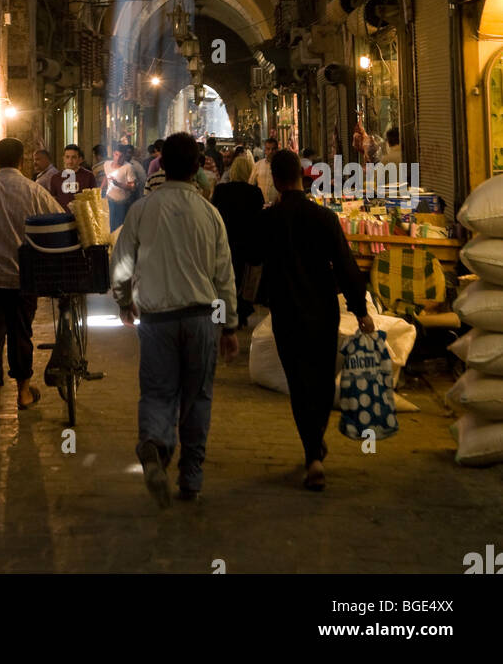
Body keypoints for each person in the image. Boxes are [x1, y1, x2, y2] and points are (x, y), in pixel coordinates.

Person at [111, 132, 239, 506]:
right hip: (201, 319)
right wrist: (229, 325)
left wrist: (123, 302)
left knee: (158, 391)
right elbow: (224, 276)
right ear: (198, 167)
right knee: (197, 398)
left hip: (157, 320)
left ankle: (154, 444)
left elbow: (121, 265)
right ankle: (192, 478)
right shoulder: (209, 214)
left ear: (161, 165)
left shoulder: (142, 210)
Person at [249, 149, 374, 491]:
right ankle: (314, 446)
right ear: (304, 177)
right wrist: (360, 310)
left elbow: (253, 255)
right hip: (322, 311)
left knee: (298, 381)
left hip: (286, 311)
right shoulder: (325, 219)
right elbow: (347, 268)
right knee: (319, 380)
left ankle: (312, 453)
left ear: (274, 181)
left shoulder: (269, 219)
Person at [0, 137, 63, 420]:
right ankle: (23, 392)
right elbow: (59, 220)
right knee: (21, 335)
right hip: (21, 278)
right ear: (22, 161)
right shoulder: (33, 190)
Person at [212, 152, 265, 327]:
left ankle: (220, 316)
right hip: (247, 243)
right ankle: (240, 315)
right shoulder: (255, 193)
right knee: (242, 280)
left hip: (224, 242)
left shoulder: (221, 190)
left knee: (223, 279)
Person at [49, 143, 96, 209]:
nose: (70, 161)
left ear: (80, 159)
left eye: (74, 157)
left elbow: (93, 200)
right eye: (67, 157)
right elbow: (53, 200)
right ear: (64, 158)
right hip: (62, 216)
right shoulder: (55, 178)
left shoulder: (89, 176)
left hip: (82, 215)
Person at [104, 143, 139, 230]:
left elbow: (133, 187)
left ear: (125, 156)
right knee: (109, 227)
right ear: (113, 153)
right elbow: (106, 177)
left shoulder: (128, 167)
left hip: (122, 203)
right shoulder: (107, 164)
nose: (118, 158)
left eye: (121, 156)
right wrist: (100, 190)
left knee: (120, 228)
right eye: (116, 155)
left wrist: (118, 184)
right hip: (109, 200)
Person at [249, 136, 279, 206]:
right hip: (262, 205)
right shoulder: (258, 165)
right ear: (265, 150)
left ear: (277, 150)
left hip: (277, 206)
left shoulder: (282, 165)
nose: (271, 151)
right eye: (268, 149)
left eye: (273, 149)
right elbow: (251, 185)